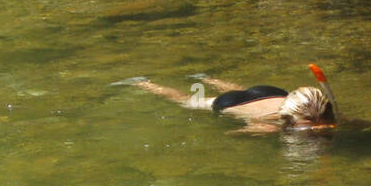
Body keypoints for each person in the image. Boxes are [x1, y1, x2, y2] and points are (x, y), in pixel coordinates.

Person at [126, 64, 338, 129]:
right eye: (309, 129)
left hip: (273, 93)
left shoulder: (326, 116)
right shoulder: (271, 125)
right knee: (186, 100)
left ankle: (207, 77)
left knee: (245, 88)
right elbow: (239, 132)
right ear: (288, 121)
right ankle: (143, 83)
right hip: (233, 102)